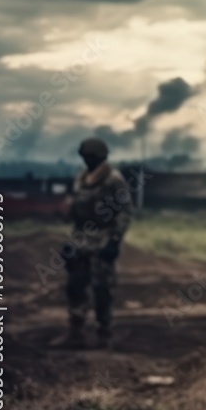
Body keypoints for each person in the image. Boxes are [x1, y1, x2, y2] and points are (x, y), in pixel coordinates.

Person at [56, 137, 133, 349]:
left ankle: (104, 333)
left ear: (99, 157)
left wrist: (115, 241)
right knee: (75, 286)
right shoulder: (81, 180)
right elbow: (73, 212)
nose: (86, 159)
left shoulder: (113, 180)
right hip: (81, 238)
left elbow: (125, 211)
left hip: (103, 238)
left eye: (89, 156)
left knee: (103, 289)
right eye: (84, 156)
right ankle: (76, 332)